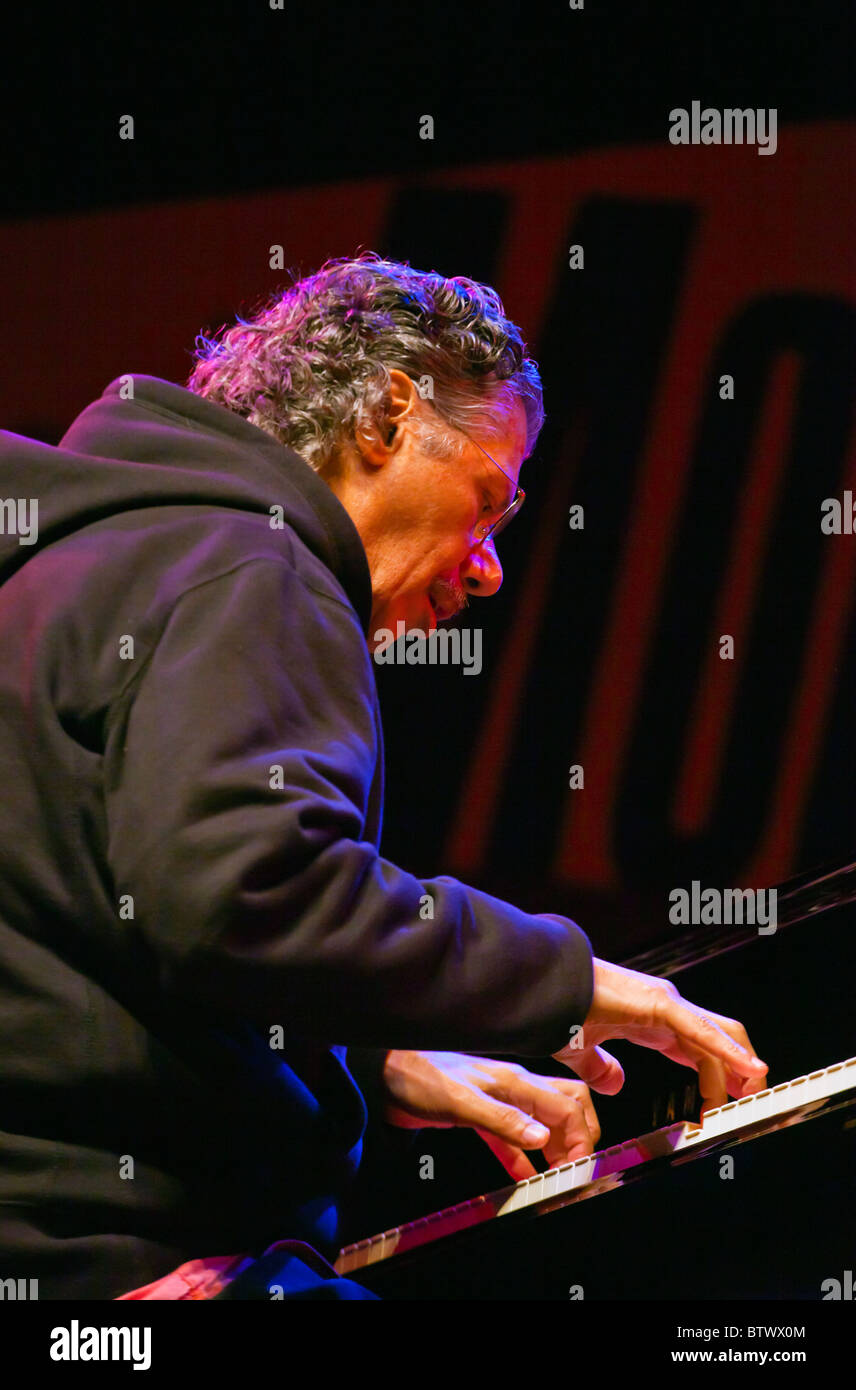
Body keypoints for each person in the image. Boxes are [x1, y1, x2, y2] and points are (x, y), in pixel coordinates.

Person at [0, 253, 767, 1300]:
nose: (488, 566)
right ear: (386, 415)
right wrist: (567, 981)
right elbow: (245, 894)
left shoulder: (85, 564)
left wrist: (360, 1063)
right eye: (488, 500)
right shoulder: (256, 566)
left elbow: (83, 939)